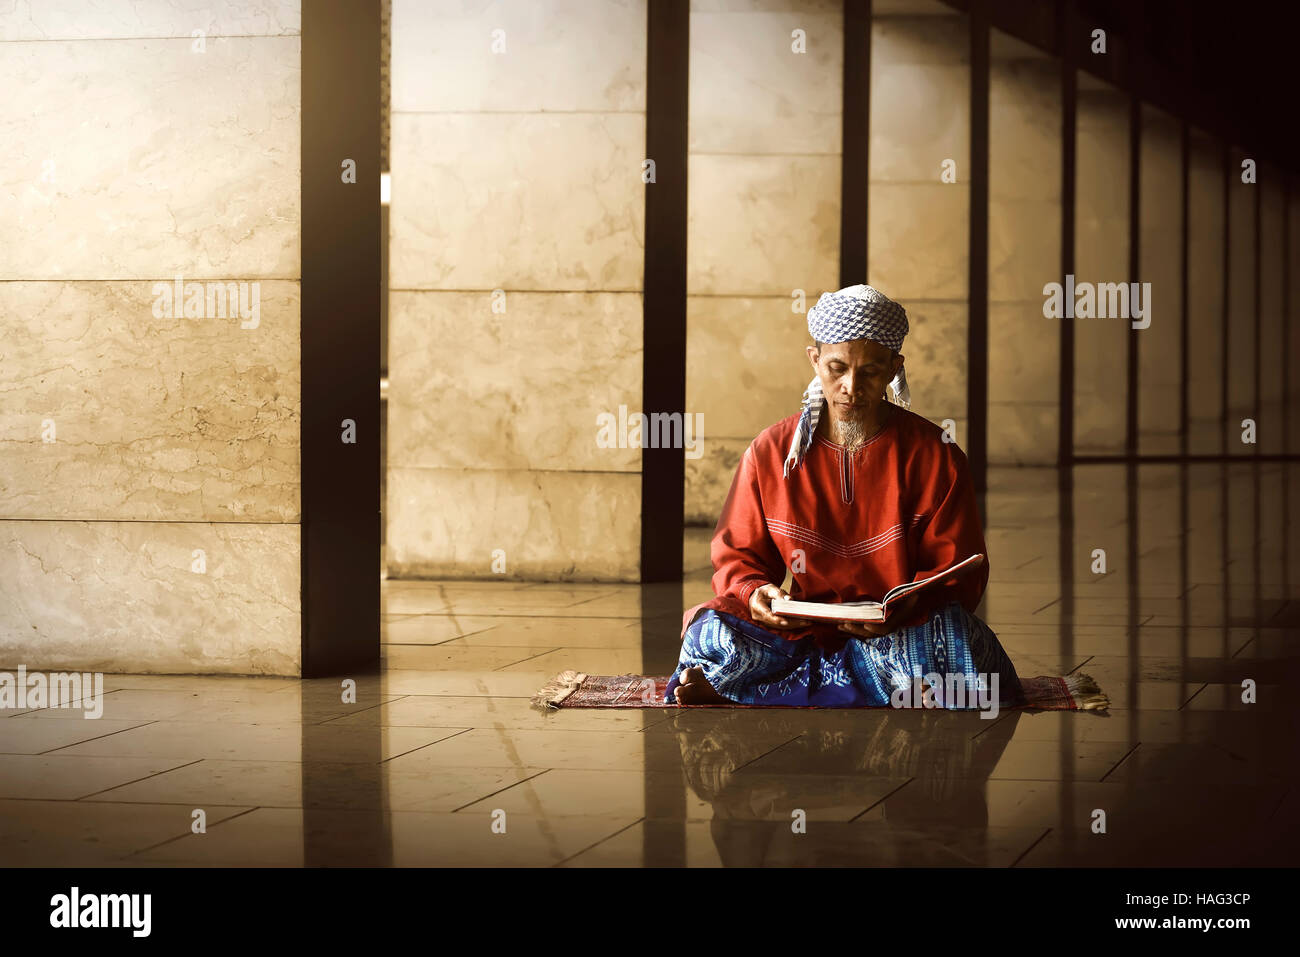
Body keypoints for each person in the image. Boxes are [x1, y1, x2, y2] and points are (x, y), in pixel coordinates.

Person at [667, 283, 1023, 708]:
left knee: (953, 637)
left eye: (870, 371)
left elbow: (957, 574)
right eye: (837, 368)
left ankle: (751, 688)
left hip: (897, 633)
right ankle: (881, 689)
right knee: (709, 628)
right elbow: (737, 558)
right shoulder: (771, 451)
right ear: (814, 361)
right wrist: (755, 593)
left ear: (894, 368)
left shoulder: (937, 454)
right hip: (801, 630)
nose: (852, 386)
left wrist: (903, 612)